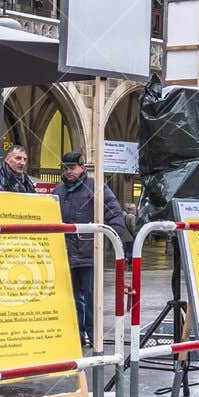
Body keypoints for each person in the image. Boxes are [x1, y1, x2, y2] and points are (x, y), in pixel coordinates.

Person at [56, 150, 125, 351]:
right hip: (66, 254)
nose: (68, 172)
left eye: (72, 168)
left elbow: (115, 215)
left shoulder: (96, 188)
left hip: (89, 255)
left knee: (91, 296)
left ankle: (94, 335)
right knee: (70, 297)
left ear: (82, 167)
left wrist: (108, 241)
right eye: (65, 168)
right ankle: (76, 335)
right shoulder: (58, 191)